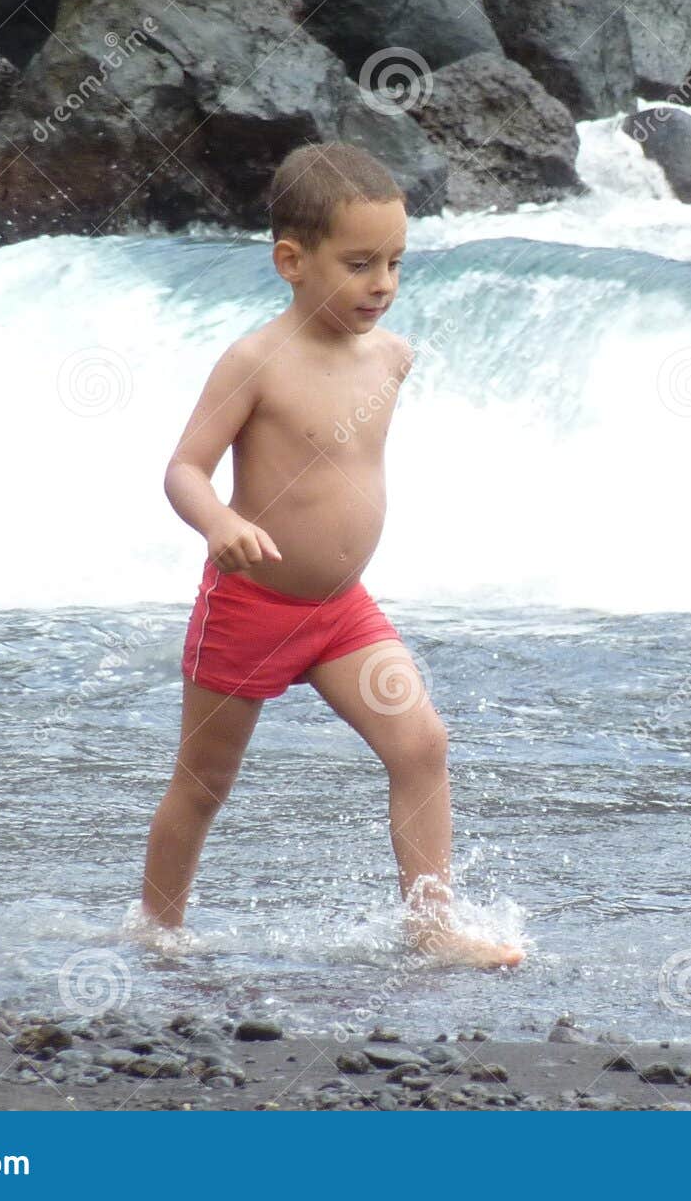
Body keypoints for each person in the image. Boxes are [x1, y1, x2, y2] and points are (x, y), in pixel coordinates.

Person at [139, 141, 524, 970]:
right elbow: (183, 469)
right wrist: (218, 527)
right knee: (203, 784)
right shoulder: (255, 362)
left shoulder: (392, 356)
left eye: (395, 262)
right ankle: (158, 931)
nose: (382, 283)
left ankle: (431, 927)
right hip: (250, 608)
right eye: (359, 264)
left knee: (421, 745)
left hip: (341, 611)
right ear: (291, 261)